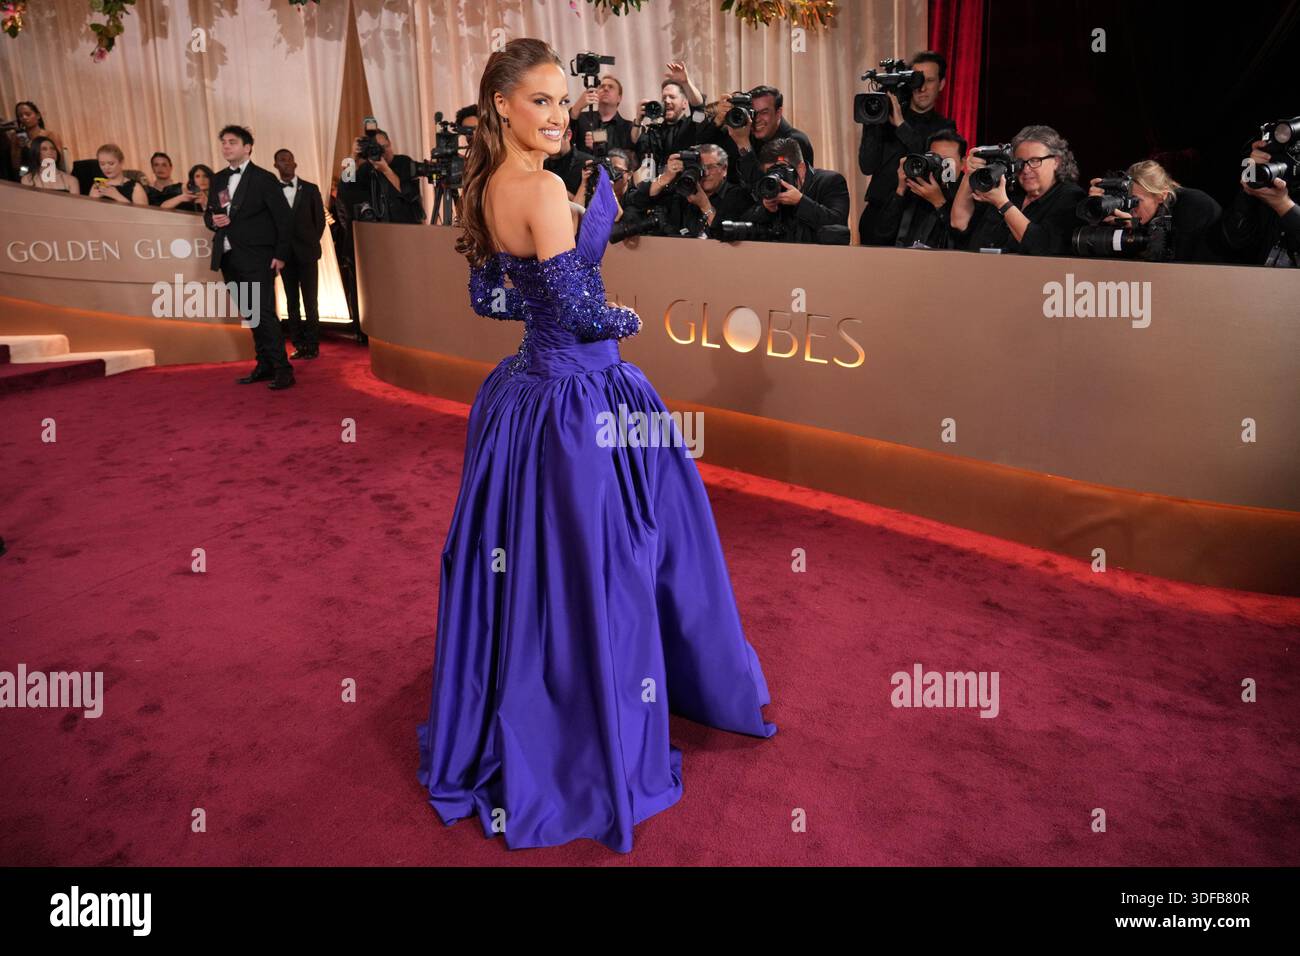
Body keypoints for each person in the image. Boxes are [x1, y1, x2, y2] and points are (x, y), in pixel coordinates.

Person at [416, 38, 776, 855]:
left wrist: (566, 280)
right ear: (501, 105)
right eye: (539, 101)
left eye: (561, 104)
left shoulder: (482, 185)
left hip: (523, 398)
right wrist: (621, 309)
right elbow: (584, 313)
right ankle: (606, 719)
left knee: (541, 564)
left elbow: (489, 298)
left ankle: (538, 692)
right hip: (584, 397)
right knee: (618, 560)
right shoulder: (541, 187)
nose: (555, 116)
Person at [203, 124, 295, 390]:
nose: (226, 146)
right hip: (229, 255)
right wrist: (214, 220)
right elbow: (210, 214)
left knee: (263, 312)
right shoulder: (219, 179)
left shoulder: (264, 178)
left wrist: (281, 254)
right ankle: (264, 365)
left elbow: (284, 219)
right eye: (223, 142)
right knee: (249, 314)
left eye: (232, 142)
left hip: (258, 256)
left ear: (247, 147)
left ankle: (283, 368)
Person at [950, 124, 1087, 255]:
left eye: (1034, 161)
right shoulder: (1009, 190)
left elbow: (1041, 246)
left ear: (1056, 162)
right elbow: (959, 222)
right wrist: (970, 173)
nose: (1026, 169)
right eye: (1020, 162)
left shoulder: (1071, 197)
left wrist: (1003, 204)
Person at [1083, 159, 1223, 263]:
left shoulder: (1193, 207)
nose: (1130, 207)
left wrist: (1137, 230)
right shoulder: (1129, 212)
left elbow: (1172, 269)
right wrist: (1099, 209)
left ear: (1162, 196)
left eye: (1136, 201)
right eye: (1127, 200)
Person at [730, 137, 850, 243]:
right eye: (770, 172)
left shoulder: (830, 181)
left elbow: (838, 223)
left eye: (780, 170)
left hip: (819, 260)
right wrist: (765, 209)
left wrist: (800, 201)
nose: (776, 177)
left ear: (801, 168)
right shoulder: (769, 186)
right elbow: (744, 226)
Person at [869, 129, 967, 248]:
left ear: (962, 163)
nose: (939, 164)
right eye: (934, 157)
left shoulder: (967, 195)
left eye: (947, 160)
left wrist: (939, 203)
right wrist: (900, 190)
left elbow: (962, 241)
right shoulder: (915, 187)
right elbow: (880, 236)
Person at [273, 148, 326, 359]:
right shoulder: (272, 191)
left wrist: (311, 242)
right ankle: (298, 344)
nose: (285, 163)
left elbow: (319, 221)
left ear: (295, 163)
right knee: (291, 301)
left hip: (307, 253)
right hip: (285, 256)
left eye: (288, 159)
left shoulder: (311, 189)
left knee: (311, 301)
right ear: (275, 166)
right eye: (280, 161)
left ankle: (313, 344)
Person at [1220, 134, 1300, 267]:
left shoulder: (1278, 197)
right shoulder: (1275, 186)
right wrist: (1252, 185)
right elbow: (1233, 242)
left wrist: (1283, 205)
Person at [341, 128, 424, 224]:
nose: (383, 152)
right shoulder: (367, 168)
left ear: (390, 143)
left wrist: (386, 170)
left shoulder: (404, 162)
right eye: (377, 148)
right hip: (378, 228)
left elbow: (406, 193)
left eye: (385, 146)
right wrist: (352, 156)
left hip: (405, 225)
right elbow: (346, 187)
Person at [567, 73, 635, 153]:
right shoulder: (581, 118)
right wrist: (577, 107)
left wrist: (599, 149)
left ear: (619, 98)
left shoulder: (628, 128)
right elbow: (565, 140)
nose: (605, 89)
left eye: (611, 87)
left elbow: (628, 160)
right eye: (602, 87)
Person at [9, 101, 63, 173]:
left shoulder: (50, 135)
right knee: (20, 176)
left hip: (47, 171)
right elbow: (15, 165)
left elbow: (59, 161)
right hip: (25, 171)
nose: (24, 117)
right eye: (20, 116)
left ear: (38, 116)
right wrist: (19, 148)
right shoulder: (16, 136)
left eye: (28, 114)